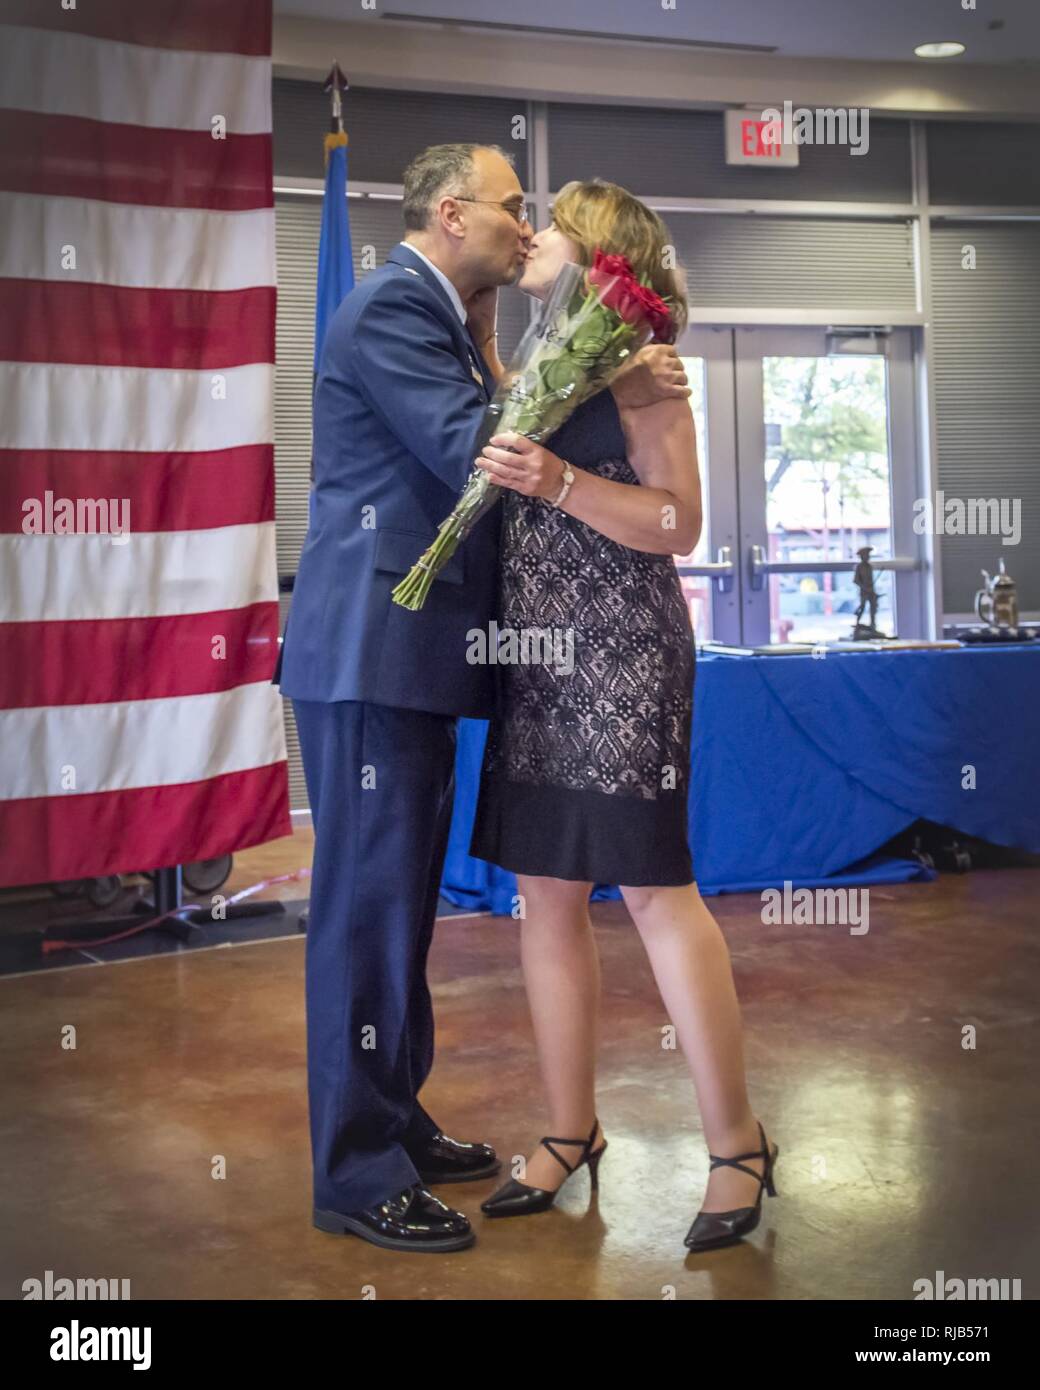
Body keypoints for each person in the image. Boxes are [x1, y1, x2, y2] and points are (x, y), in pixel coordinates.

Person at [277, 144, 688, 1253]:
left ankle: (394, 1120)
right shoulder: (389, 314)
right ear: (451, 214)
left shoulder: (448, 320)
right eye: (514, 208)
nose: (526, 224)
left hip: (409, 659)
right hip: (370, 652)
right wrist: (620, 372)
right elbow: (480, 453)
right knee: (365, 916)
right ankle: (355, 1172)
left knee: (401, 907)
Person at [468, 178, 780, 1251]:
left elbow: (679, 524)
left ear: (597, 251)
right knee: (541, 892)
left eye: (548, 223)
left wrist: (554, 480)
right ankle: (567, 1132)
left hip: (625, 655)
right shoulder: (535, 362)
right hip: (539, 659)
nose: (532, 234)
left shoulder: (647, 377)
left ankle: (735, 1141)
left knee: (653, 891)